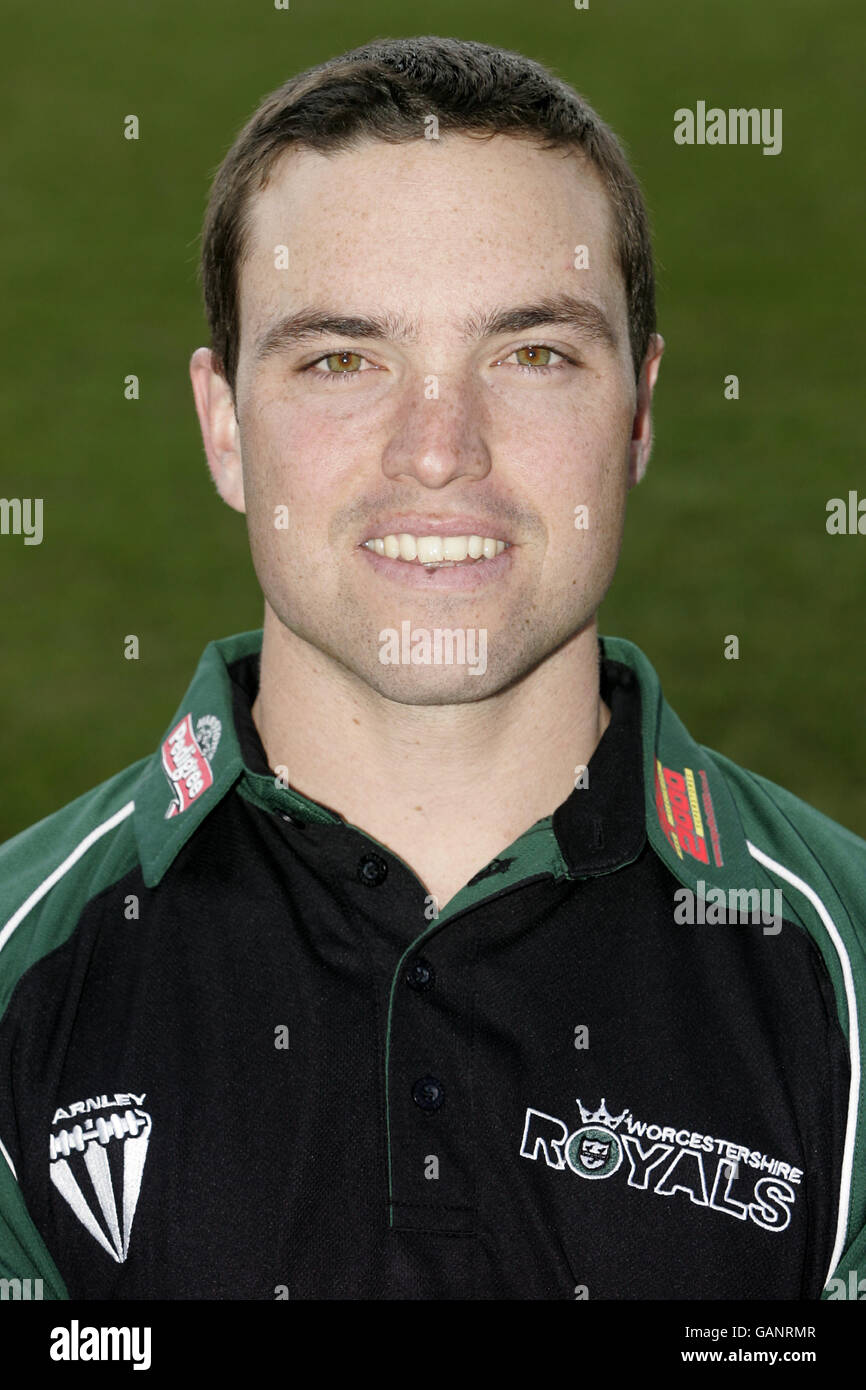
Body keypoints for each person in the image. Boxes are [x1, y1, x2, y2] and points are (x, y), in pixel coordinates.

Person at [0, 36, 863, 1302]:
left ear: (636, 414)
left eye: (533, 354)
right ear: (222, 428)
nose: (439, 450)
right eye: (341, 359)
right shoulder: (20, 971)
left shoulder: (840, 971)